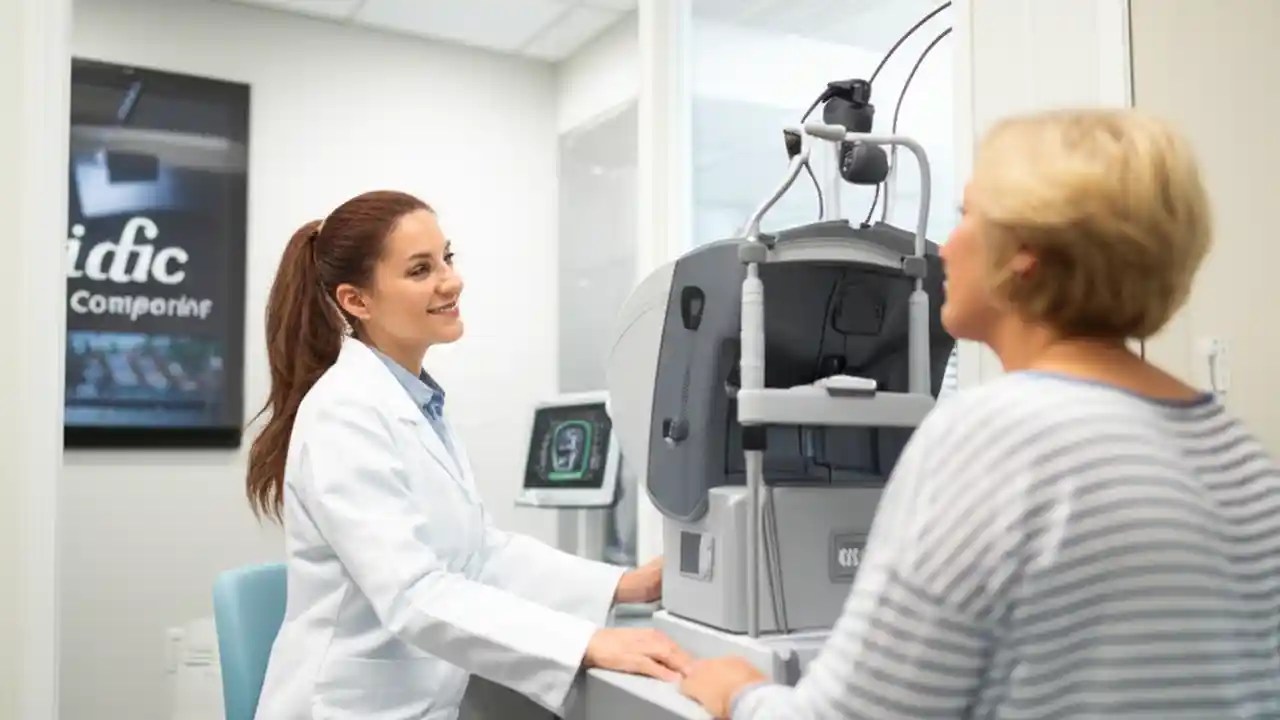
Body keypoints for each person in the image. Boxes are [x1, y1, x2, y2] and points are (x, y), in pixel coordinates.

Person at [680, 108, 1280, 718]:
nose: (949, 245)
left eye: (967, 216)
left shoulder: (996, 440)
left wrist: (738, 692)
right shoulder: (1240, 457)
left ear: (1023, 252)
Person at [246, 190, 692, 720]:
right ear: (356, 301)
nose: (451, 281)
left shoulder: (413, 400)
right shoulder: (345, 414)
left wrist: (624, 584)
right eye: (419, 270)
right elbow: (413, 593)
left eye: (446, 259)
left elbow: (481, 553)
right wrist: (586, 643)